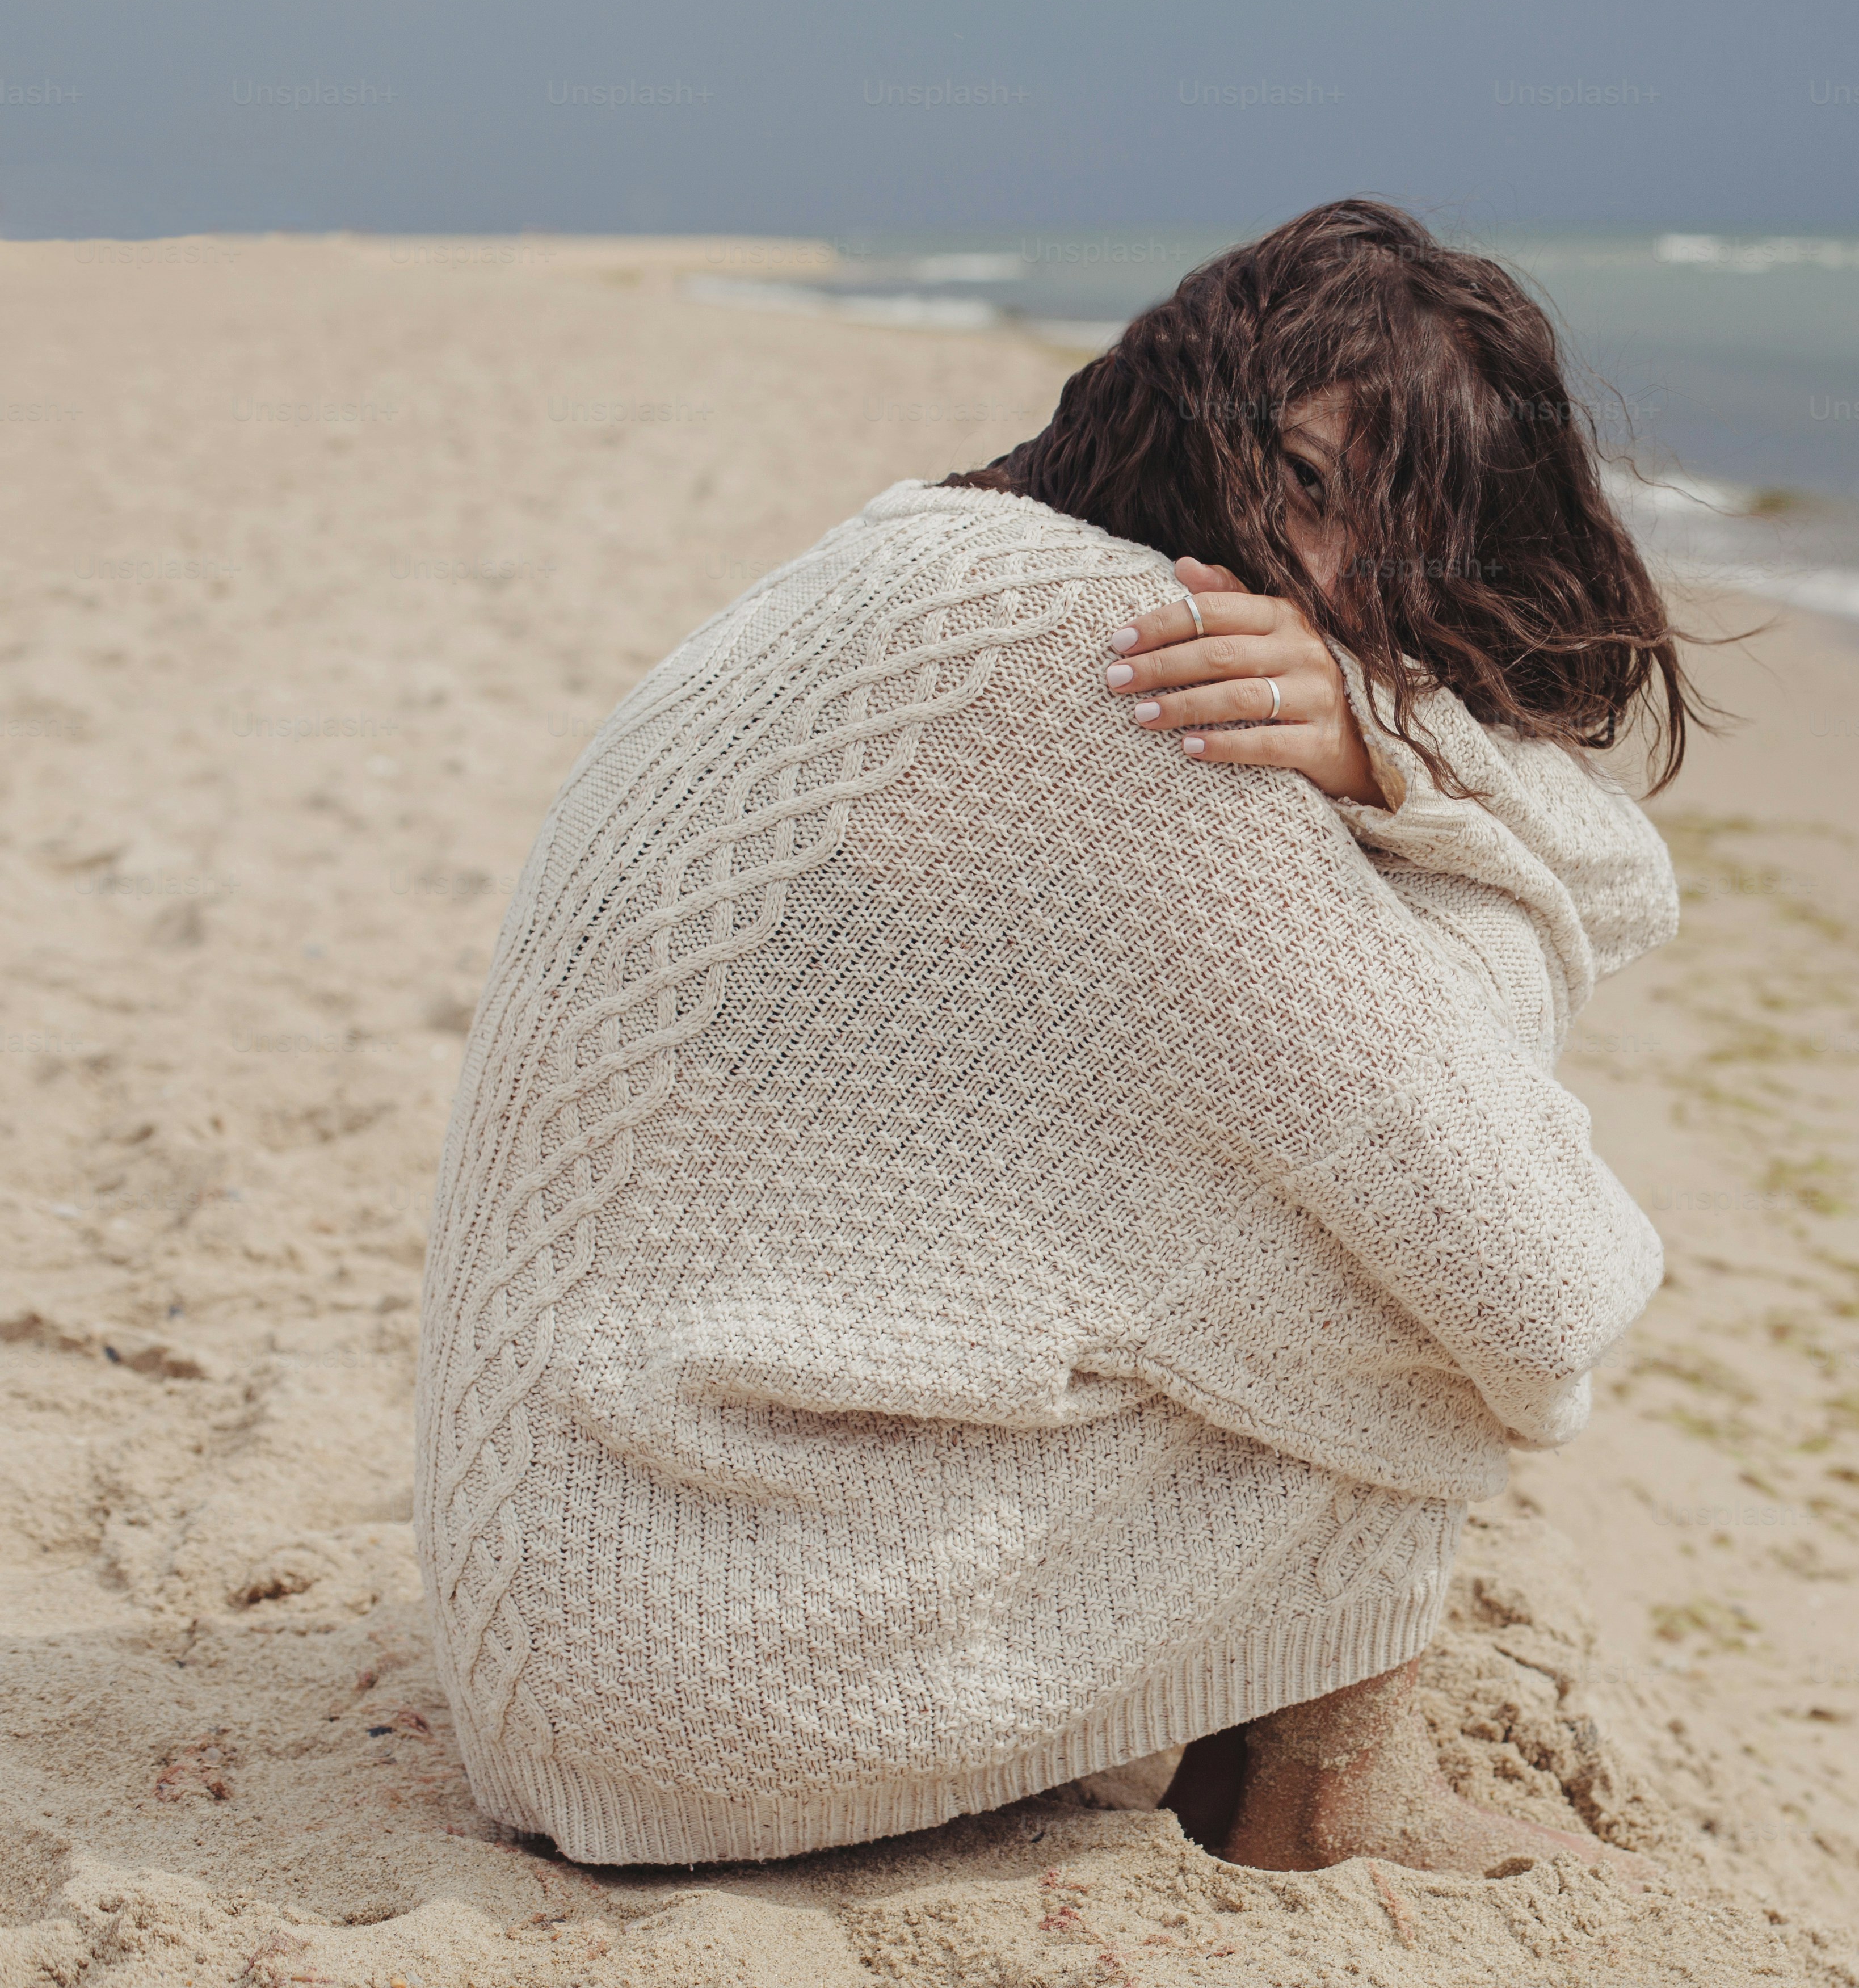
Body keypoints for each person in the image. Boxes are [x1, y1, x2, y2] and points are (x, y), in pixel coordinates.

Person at [411, 200, 1705, 1873]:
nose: (1348, 598)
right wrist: (1440, 797)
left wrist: (1398, 754)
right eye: (1314, 493)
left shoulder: (929, 549)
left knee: (1340, 1130)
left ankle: (1271, 1761)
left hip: (570, 1606)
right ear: (1199, 424)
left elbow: (1627, 871)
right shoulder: (1149, 685)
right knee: (1449, 1143)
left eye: (1413, 553)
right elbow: (1552, 1294)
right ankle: (1329, 1798)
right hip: (709, 1682)